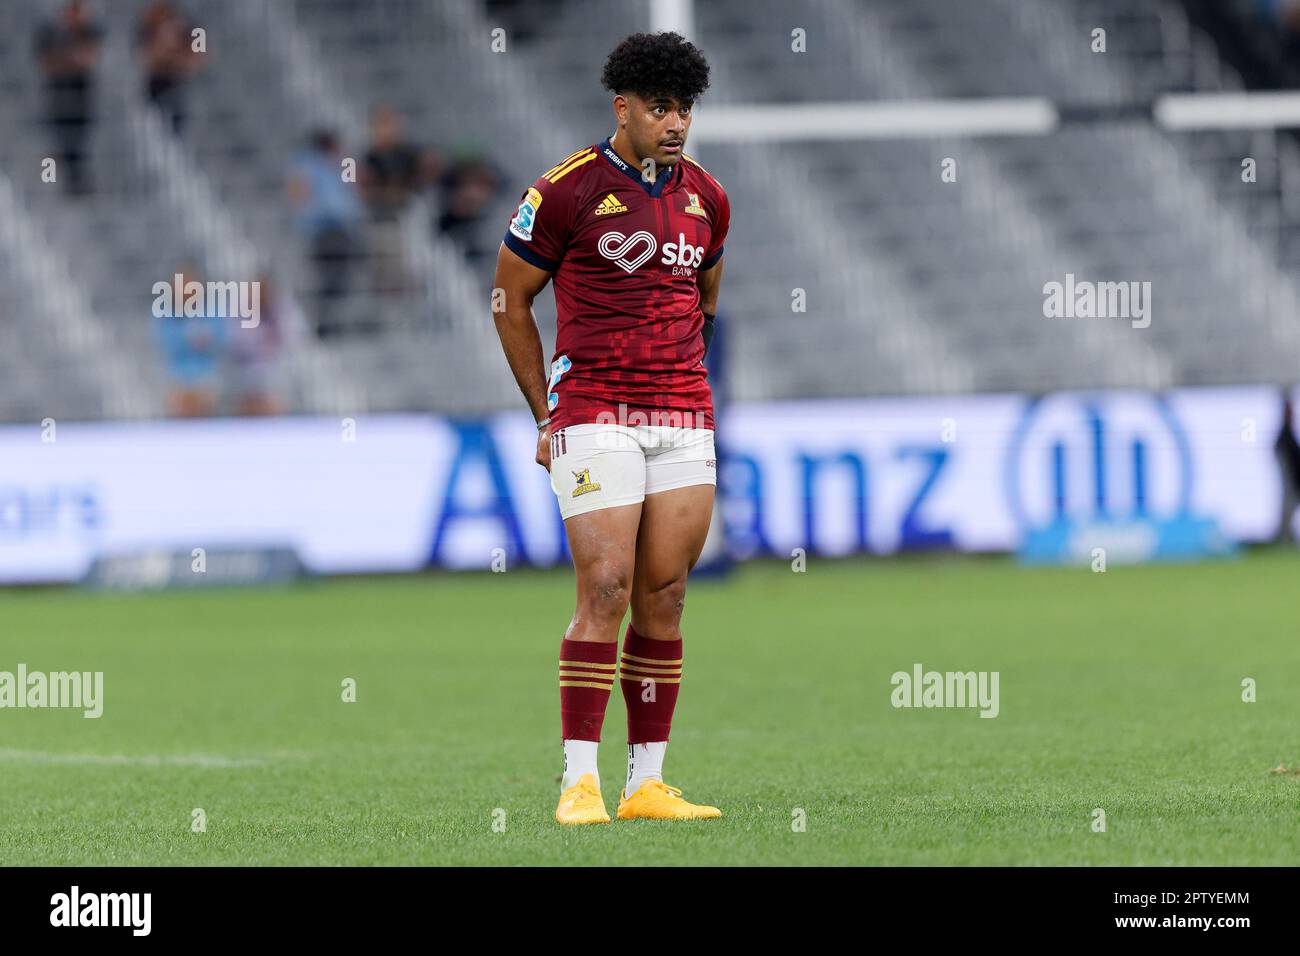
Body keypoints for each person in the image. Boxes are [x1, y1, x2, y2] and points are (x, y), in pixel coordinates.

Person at [491, 32, 729, 825]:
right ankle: (578, 783)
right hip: (594, 410)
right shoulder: (566, 190)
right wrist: (546, 412)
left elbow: (706, 297)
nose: (676, 122)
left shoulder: (708, 198)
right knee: (605, 587)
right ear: (621, 107)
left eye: (685, 107)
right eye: (660, 107)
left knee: (664, 595)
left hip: (683, 413)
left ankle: (647, 785)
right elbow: (509, 299)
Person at [287, 129, 364, 336]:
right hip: (321, 229)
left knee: (345, 275)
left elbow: (353, 187)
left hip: (344, 227)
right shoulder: (305, 163)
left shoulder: (344, 161)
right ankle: (325, 322)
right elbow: (299, 195)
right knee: (328, 277)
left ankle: (334, 319)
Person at [35, 0, 103, 196]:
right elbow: (47, 63)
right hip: (57, 98)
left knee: (80, 143)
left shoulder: (89, 31)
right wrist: (72, 59)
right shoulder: (48, 32)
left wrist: (64, 58)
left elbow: (89, 60)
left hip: (82, 98)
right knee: (57, 141)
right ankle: (57, 182)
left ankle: (77, 180)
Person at [360, 106, 424, 294]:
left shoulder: (409, 154)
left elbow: (422, 179)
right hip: (383, 219)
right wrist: (385, 193)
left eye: (391, 124)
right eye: (382, 124)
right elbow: (362, 188)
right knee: (388, 265)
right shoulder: (368, 157)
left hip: (410, 217)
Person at [155, 266, 227, 417]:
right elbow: (164, 341)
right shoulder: (164, 313)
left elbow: (220, 339)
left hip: (207, 374)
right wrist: (190, 337)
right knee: (179, 398)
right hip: (176, 375)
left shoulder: (211, 311)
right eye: (181, 286)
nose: (185, 291)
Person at [136, 0, 205, 134]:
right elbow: (145, 58)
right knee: (154, 129)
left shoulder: (191, 25)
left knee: (180, 132)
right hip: (156, 85)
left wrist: (174, 57)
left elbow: (200, 55)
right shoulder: (148, 23)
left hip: (182, 86)